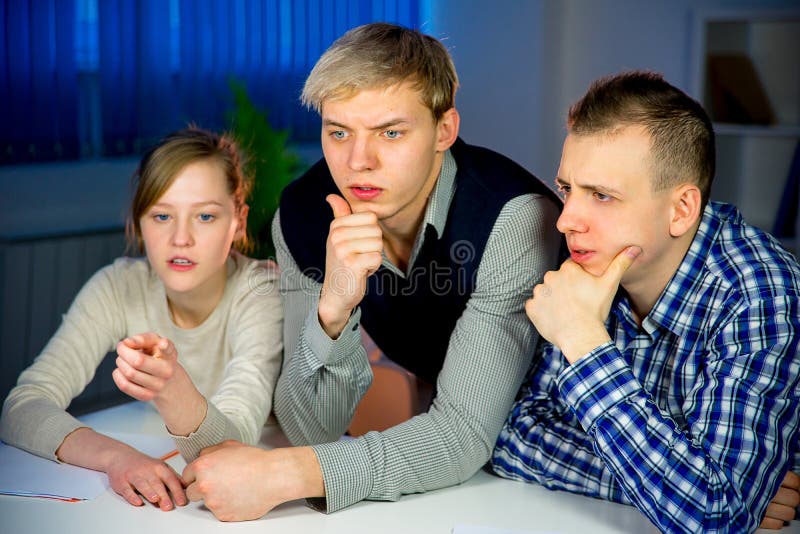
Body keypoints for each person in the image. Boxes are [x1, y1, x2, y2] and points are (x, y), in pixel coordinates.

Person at [181, 22, 562, 520]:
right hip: (473, 479)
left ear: (444, 130)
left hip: (560, 448)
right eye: (338, 132)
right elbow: (311, 429)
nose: (358, 162)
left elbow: (463, 434)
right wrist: (333, 310)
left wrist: (284, 474)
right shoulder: (303, 216)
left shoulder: (511, 218)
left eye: (390, 132)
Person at [491, 71, 800, 533]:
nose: (567, 220)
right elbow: (512, 433)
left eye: (602, 196)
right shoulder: (592, 260)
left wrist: (583, 341)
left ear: (681, 210)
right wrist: (660, 486)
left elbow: (715, 514)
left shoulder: (761, 294)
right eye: (567, 189)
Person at [0, 127, 283, 511]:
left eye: (205, 216)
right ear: (139, 220)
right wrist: (115, 457)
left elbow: (231, 447)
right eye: (162, 215)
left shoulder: (261, 291)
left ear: (238, 221)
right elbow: (23, 406)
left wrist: (174, 390)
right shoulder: (119, 286)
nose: (180, 238)